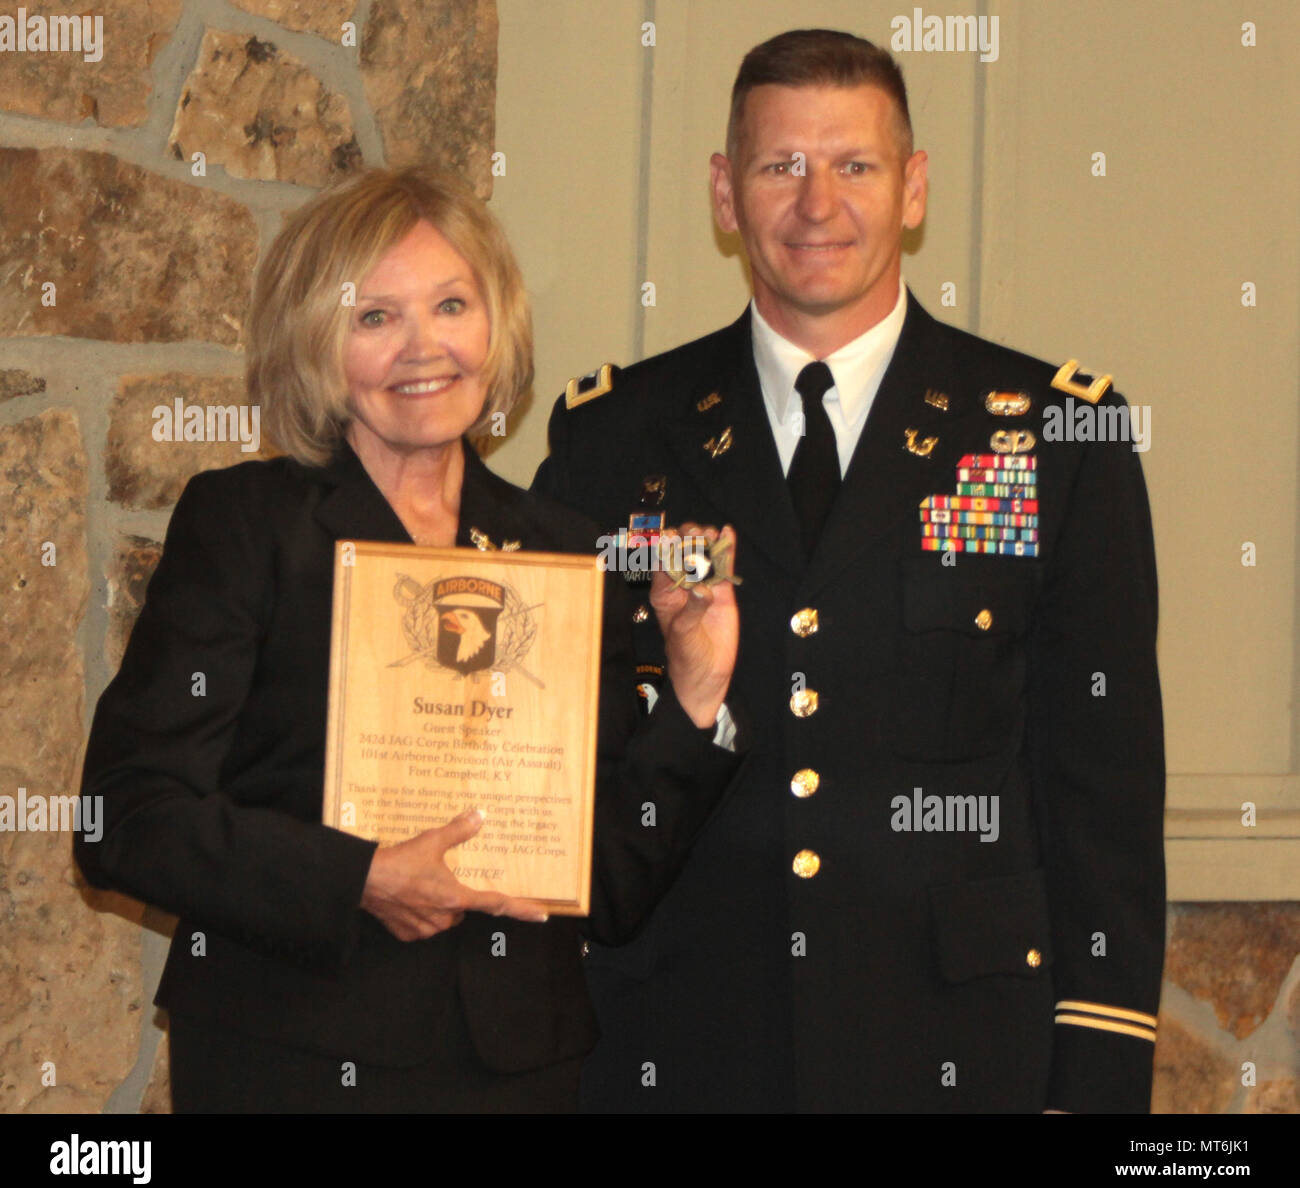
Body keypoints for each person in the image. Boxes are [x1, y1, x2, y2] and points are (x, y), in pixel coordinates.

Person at [532, 28, 1165, 1112]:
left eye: (854, 165)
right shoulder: (613, 439)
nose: (816, 204)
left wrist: (1094, 1074)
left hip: (958, 1049)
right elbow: (566, 765)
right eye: (781, 166)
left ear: (912, 189)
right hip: (678, 1039)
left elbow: (1099, 792)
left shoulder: (1054, 438)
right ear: (725, 195)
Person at [75, 164, 741, 1112]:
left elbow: (614, 881)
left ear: (495, 324)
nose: (423, 348)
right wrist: (358, 878)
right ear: (316, 342)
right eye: (374, 317)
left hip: (518, 1068)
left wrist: (695, 693)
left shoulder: (556, 548)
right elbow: (125, 819)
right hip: (290, 1061)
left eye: (452, 305)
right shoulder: (247, 524)